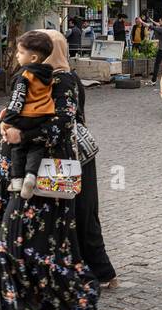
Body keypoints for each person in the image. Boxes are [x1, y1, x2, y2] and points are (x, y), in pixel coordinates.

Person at [0, 34, 99, 310]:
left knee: (38, 243)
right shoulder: (25, 79)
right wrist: (3, 126)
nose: (21, 55)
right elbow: (10, 114)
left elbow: (65, 125)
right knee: (9, 239)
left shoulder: (63, 81)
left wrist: (24, 136)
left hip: (47, 174)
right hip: (11, 173)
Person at [43, 30, 116, 287]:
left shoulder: (61, 80)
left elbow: (62, 122)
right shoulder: (62, 76)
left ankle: (97, 272)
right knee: (76, 212)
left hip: (66, 157)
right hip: (69, 156)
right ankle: (92, 270)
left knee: (74, 213)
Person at [1, 32, 58, 200]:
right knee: (36, 147)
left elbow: (17, 99)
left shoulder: (25, 75)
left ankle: (17, 179)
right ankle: (31, 176)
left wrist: (7, 120)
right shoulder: (48, 74)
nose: (17, 56)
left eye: (20, 52)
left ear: (33, 58)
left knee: (18, 146)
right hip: (44, 115)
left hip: (25, 115)